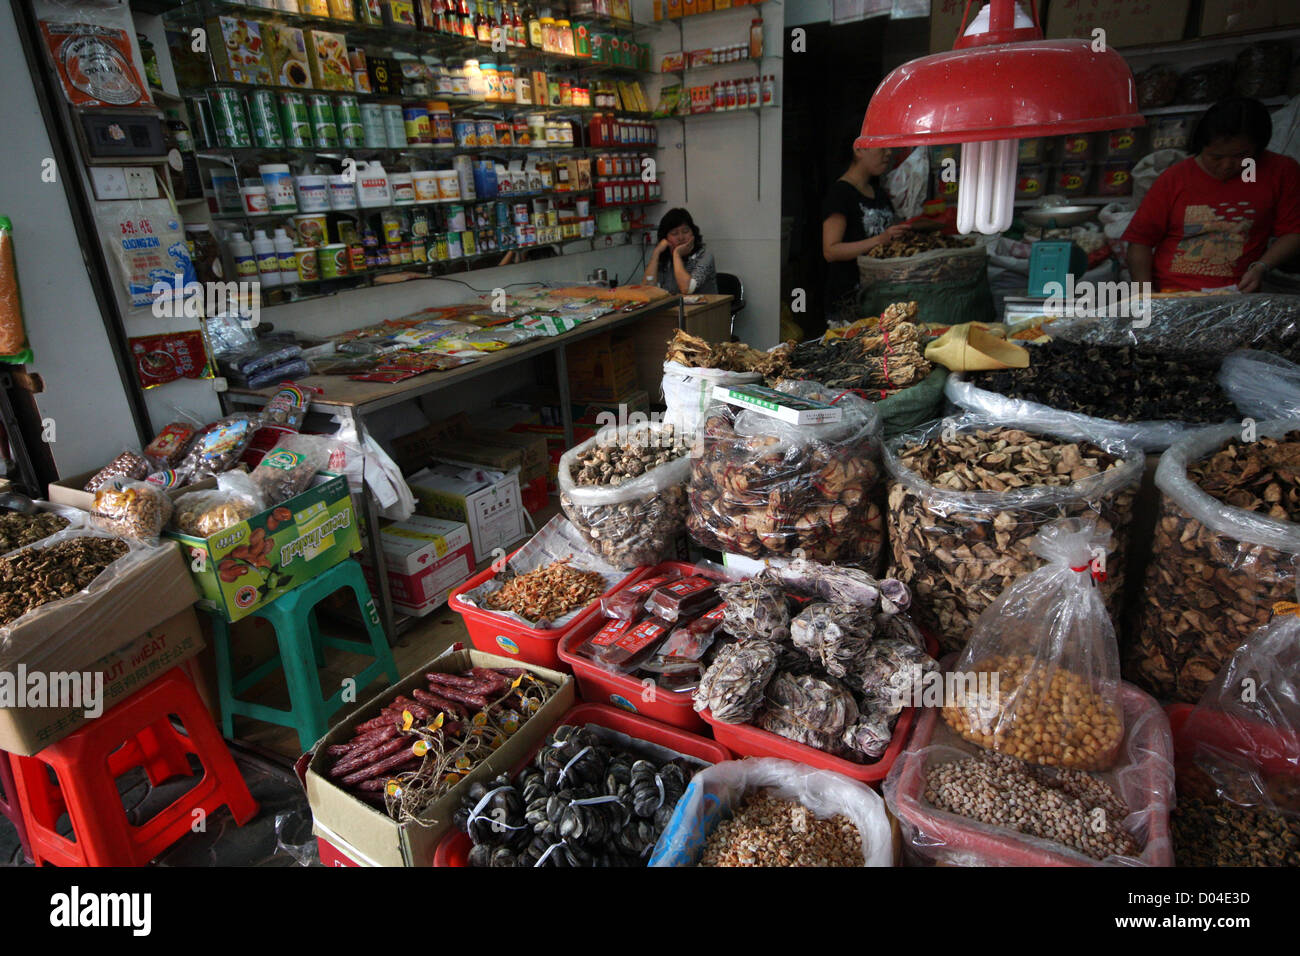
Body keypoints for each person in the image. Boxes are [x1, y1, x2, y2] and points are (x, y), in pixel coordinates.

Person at [1124, 97, 1300, 293]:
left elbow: (1293, 232)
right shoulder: (1176, 178)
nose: (1226, 166)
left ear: (1258, 147)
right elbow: (1140, 242)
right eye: (1215, 157)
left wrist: (1261, 267)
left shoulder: (1281, 171)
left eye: (1240, 156)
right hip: (1172, 292)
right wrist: (1145, 297)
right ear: (1201, 147)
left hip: (1237, 293)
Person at [821, 137, 911, 326]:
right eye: (882, 147)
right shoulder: (840, 194)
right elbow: (831, 251)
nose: (888, 153)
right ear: (859, 149)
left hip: (879, 297)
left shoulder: (879, 193)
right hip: (848, 303)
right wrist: (881, 239)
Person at [644, 208, 717, 294]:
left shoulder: (704, 255)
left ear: (693, 233)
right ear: (665, 238)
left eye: (685, 231)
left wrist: (677, 254)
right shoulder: (664, 258)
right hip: (674, 306)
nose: (681, 238)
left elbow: (687, 288)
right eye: (674, 233)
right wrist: (656, 253)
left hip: (705, 306)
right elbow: (648, 289)